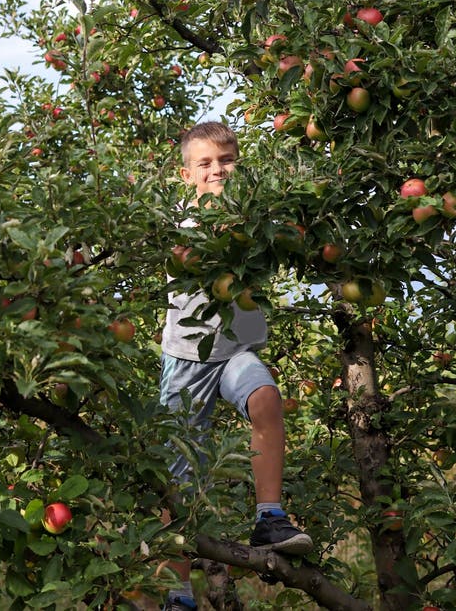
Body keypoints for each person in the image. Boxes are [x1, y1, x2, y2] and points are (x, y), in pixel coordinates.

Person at [159, 121, 312, 611]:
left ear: (239, 166)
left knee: (266, 398)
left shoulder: (256, 217)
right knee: (179, 477)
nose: (216, 170)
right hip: (187, 360)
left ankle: (269, 516)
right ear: (187, 175)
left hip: (236, 353)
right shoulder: (175, 220)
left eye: (225, 161)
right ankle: (176, 592)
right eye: (204, 163)